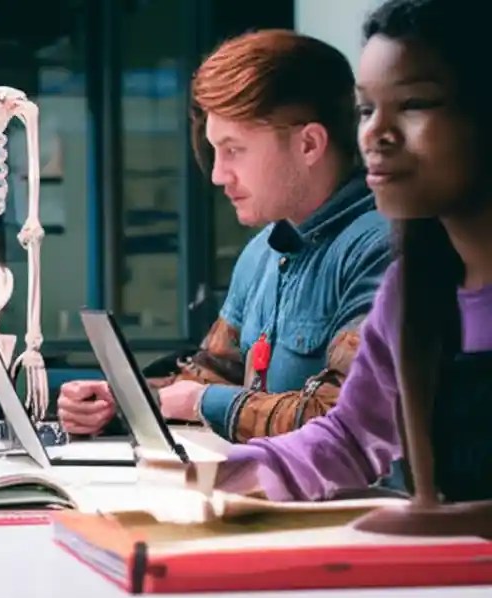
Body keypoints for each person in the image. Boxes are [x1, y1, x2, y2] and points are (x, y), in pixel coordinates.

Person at [220, 0, 492, 515]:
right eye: (367, 110)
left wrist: (428, 529)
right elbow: (351, 436)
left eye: (414, 105)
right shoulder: (412, 289)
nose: (376, 134)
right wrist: (226, 474)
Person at [57, 30, 392, 444]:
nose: (217, 175)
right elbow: (214, 371)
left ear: (309, 144)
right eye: (215, 151)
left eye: (234, 150)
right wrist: (123, 402)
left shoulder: (382, 247)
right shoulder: (262, 252)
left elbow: (347, 416)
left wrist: (202, 402)